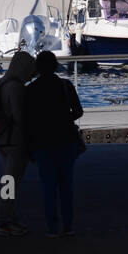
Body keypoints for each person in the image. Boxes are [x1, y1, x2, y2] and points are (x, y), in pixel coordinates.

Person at [25, 51, 84, 237]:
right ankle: (68, 226)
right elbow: (78, 111)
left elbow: (28, 120)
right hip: (66, 140)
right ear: (55, 65)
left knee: (48, 187)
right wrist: (65, 119)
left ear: (38, 67)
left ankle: (52, 227)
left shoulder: (32, 89)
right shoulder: (65, 85)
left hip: (43, 142)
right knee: (66, 185)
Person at [0, 50, 36, 236]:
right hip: (15, 141)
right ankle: (4, 221)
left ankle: (9, 217)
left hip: (3, 139)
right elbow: (21, 117)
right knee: (10, 182)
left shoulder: (3, 83)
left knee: (8, 180)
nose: (32, 73)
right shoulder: (16, 87)